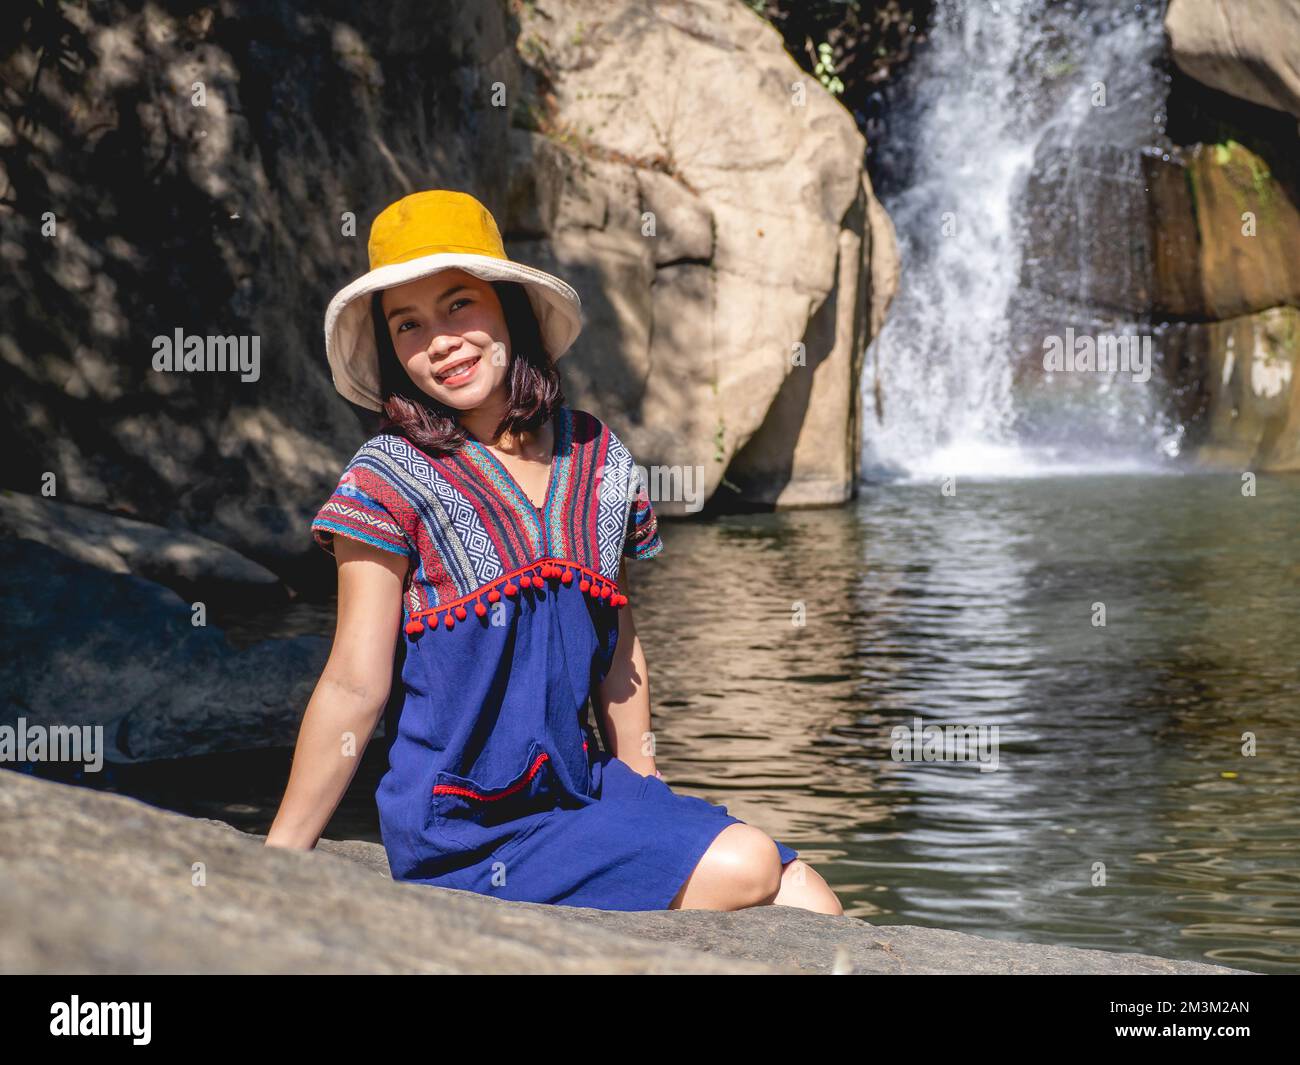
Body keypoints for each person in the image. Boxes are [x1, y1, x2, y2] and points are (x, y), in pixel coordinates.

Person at [265, 189, 842, 915]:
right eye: (407, 324)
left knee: (808, 895)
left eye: (458, 305)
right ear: (391, 349)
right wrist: (277, 863)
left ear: (510, 307)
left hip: (583, 788)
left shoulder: (595, 455)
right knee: (752, 860)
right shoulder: (386, 478)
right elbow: (354, 684)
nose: (439, 340)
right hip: (468, 828)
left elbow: (618, 638)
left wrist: (644, 784)